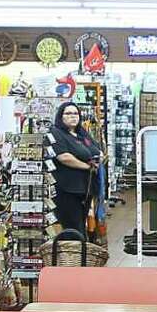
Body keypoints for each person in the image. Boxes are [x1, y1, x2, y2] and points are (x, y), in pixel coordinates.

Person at [49, 101, 102, 239]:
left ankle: (80, 255)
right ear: (61, 116)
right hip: (66, 190)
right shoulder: (56, 133)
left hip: (84, 189)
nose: (73, 116)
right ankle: (74, 257)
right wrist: (86, 166)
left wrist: (97, 158)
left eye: (75, 113)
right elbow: (64, 157)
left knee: (80, 224)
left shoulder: (81, 133)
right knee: (73, 227)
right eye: (68, 113)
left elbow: (96, 149)